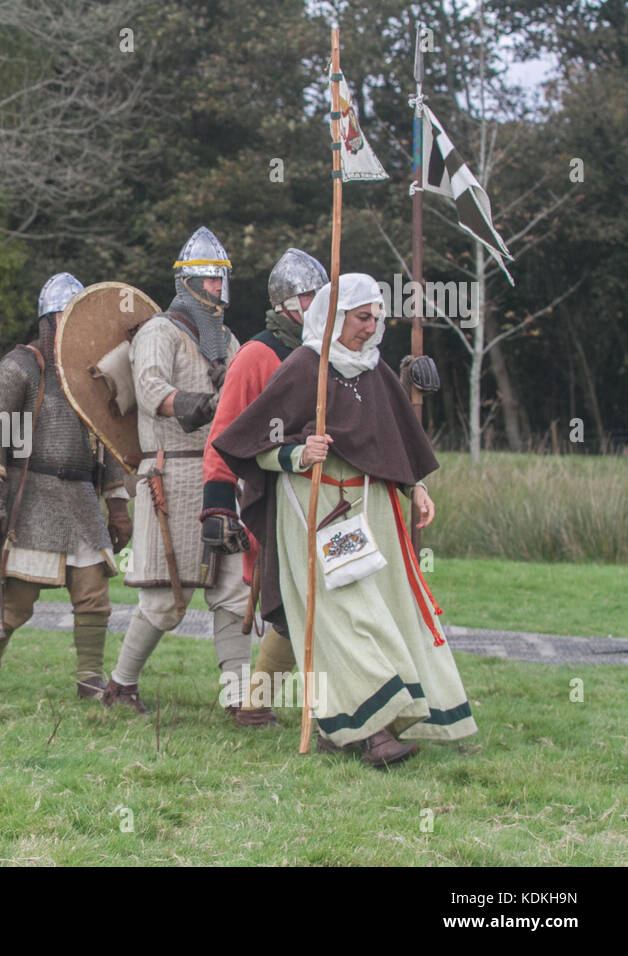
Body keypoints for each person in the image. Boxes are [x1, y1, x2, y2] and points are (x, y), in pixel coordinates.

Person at [212, 273, 478, 766]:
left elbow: (392, 440)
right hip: (316, 509)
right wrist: (296, 453)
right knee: (349, 618)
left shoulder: (374, 372)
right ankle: (370, 731)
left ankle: (355, 724)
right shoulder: (302, 367)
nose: (370, 327)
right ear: (334, 317)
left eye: (376, 317)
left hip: (371, 508)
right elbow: (249, 445)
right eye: (361, 317)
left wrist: (415, 486)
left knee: (384, 609)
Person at [102, 226, 263, 724]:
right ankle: (120, 685)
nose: (219, 289)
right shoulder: (158, 331)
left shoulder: (229, 340)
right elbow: (151, 391)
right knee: (166, 599)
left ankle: (240, 699)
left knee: (235, 590)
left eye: (222, 281)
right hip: (169, 477)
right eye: (211, 281)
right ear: (189, 283)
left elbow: (243, 401)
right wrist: (201, 401)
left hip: (221, 478)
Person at [0, 273, 131, 700]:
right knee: (17, 599)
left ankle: (89, 678)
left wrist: (117, 504)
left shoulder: (94, 374)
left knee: (94, 593)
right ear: (49, 320)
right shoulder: (23, 366)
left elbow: (109, 439)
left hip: (80, 499)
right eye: (65, 317)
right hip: (32, 494)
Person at [198, 248, 328, 714]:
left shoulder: (328, 353)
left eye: (323, 295)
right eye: (311, 296)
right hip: (275, 496)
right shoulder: (259, 353)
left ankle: (268, 703)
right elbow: (225, 432)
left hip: (330, 495)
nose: (320, 304)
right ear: (287, 303)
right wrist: (217, 504)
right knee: (293, 598)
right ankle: (259, 702)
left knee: (325, 595)